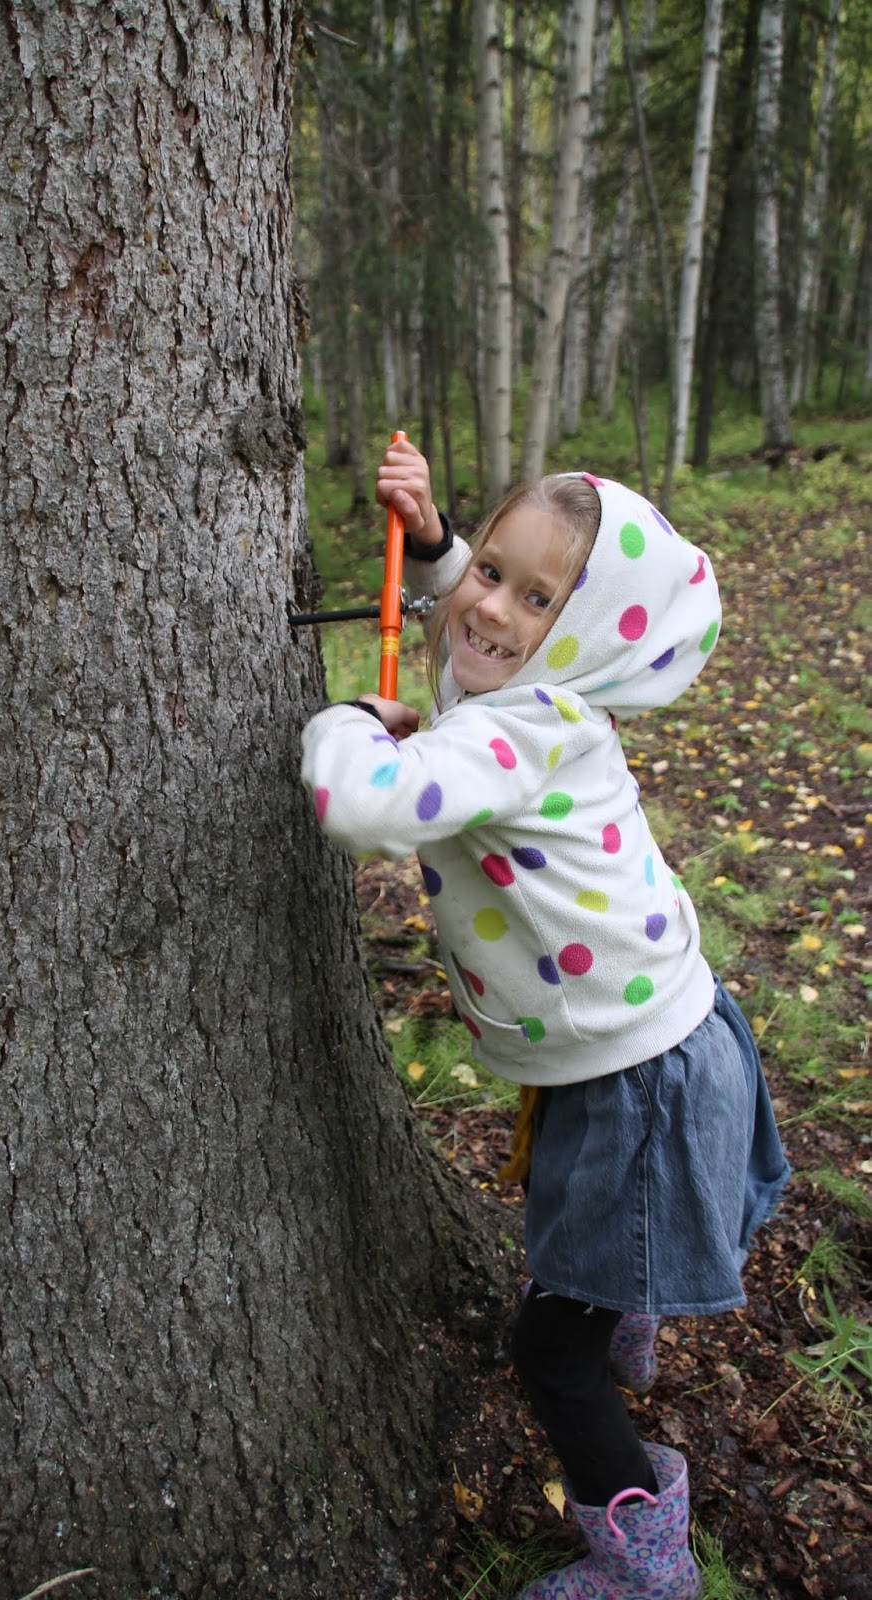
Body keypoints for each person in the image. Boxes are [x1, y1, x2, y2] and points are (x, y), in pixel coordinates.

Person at [301, 436, 790, 1600]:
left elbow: (364, 806)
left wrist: (347, 722)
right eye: (491, 571)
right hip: (639, 1045)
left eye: (536, 598)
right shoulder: (532, 695)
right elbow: (483, 638)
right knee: (581, 1231)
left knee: (545, 1352)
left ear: (583, 635)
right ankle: (622, 1299)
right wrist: (435, 546)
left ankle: (645, 1565)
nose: (489, 608)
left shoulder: (523, 728)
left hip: (637, 1079)